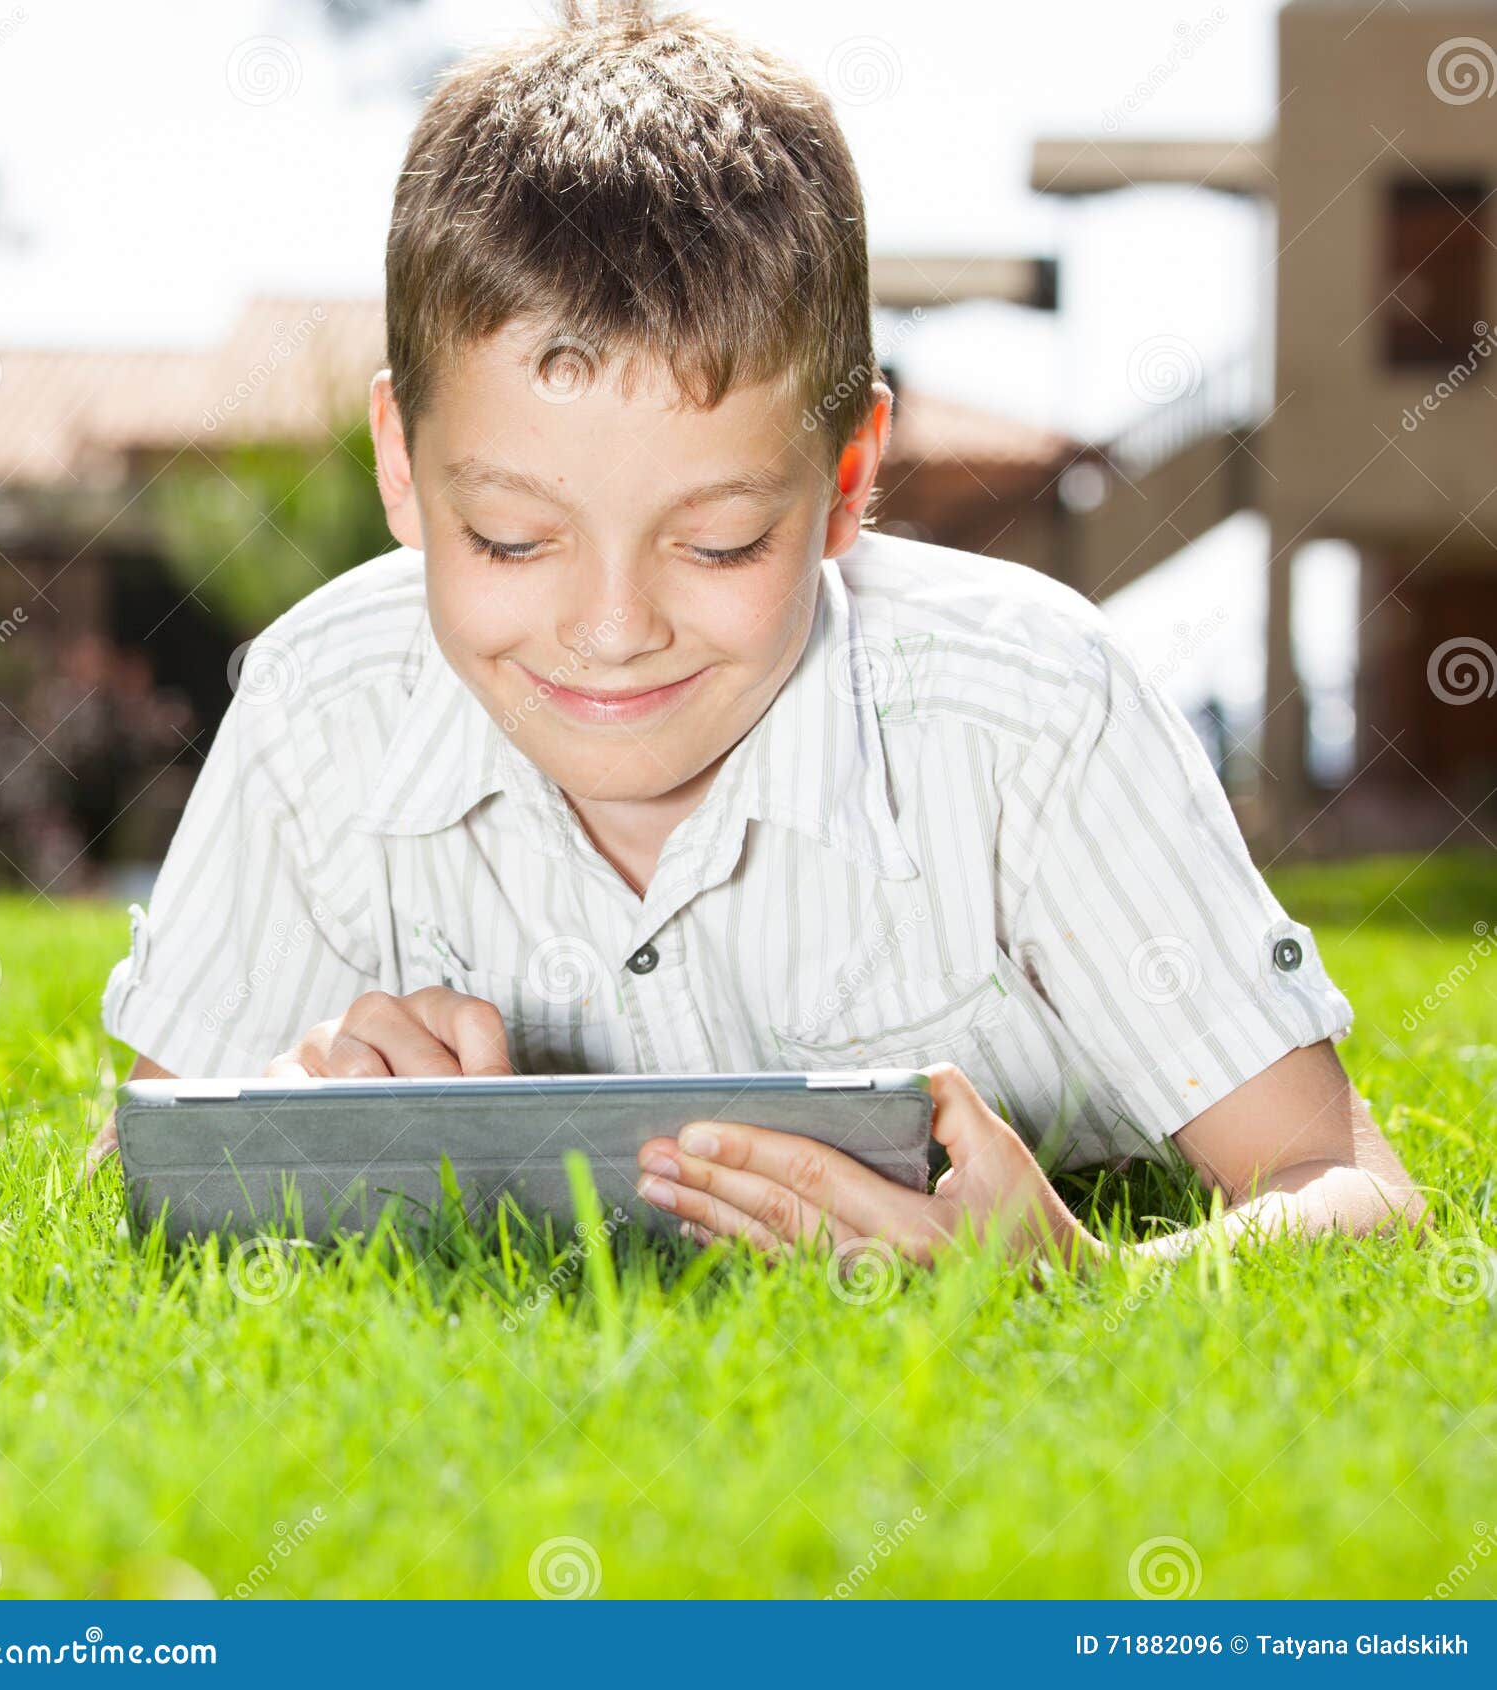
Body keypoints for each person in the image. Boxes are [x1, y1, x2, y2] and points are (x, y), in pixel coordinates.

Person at [91, 0, 1425, 1271]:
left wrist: (1085, 1280)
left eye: (720, 543)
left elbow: (1347, 1186)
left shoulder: (1032, 717)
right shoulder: (319, 709)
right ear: (400, 465)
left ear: (848, 483)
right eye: (510, 537)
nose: (611, 632)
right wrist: (291, 1115)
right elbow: (130, 1180)